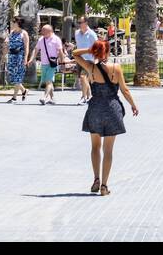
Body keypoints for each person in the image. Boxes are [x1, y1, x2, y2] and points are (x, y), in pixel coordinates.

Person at [71, 39, 138, 196]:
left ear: (96, 51)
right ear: (108, 51)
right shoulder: (116, 68)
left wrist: (89, 50)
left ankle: (95, 179)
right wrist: (133, 105)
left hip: (95, 109)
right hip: (112, 109)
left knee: (95, 147)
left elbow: (74, 54)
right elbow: (125, 90)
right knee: (108, 150)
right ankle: (104, 186)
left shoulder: (91, 67)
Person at [27, 24, 65, 105]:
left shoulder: (56, 39)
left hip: (52, 64)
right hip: (43, 63)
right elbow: (36, 50)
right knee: (49, 82)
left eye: (44, 30)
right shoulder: (41, 39)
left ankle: (44, 97)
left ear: (50, 31)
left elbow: (61, 52)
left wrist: (62, 63)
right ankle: (52, 98)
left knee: (48, 81)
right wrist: (31, 59)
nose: (42, 32)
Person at [70, 17, 98, 103]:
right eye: (78, 22)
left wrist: (97, 60)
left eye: (80, 22)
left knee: (83, 77)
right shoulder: (77, 33)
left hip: (89, 59)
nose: (78, 24)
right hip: (79, 59)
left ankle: (83, 97)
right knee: (83, 79)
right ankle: (90, 96)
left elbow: (97, 47)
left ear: (86, 23)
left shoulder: (92, 34)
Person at [6, 18, 29, 102]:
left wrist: (25, 59)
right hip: (11, 56)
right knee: (13, 77)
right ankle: (24, 91)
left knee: (18, 77)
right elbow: (8, 45)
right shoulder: (11, 33)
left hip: (20, 57)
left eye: (12, 23)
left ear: (17, 23)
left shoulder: (24, 33)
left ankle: (14, 97)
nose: (11, 25)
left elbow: (26, 47)